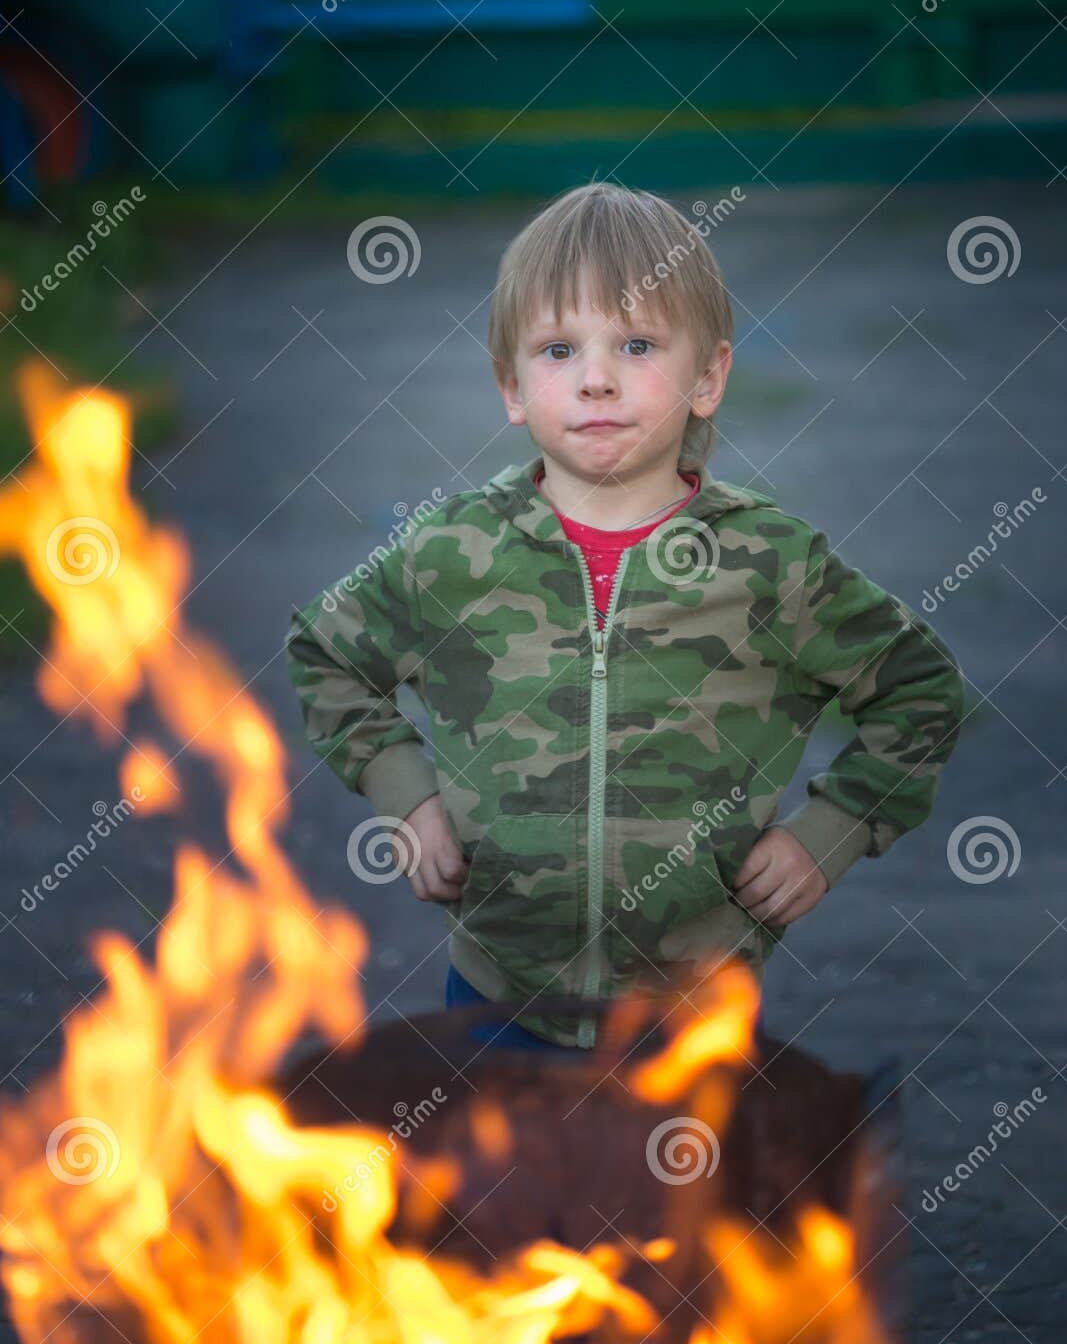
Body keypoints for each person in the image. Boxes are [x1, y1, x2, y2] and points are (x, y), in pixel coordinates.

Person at [285, 181, 966, 1054]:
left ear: (708, 376)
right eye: (559, 349)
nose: (597, 379)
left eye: (636, 344)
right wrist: (405, 798)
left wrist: (826, 837)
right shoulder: (450, 552)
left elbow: (920, 690)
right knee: (510, 1193)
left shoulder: (768, 562)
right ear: (512, 387)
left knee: (682, 1191)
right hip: (498, 997)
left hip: (693, 1012)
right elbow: (325, 652)